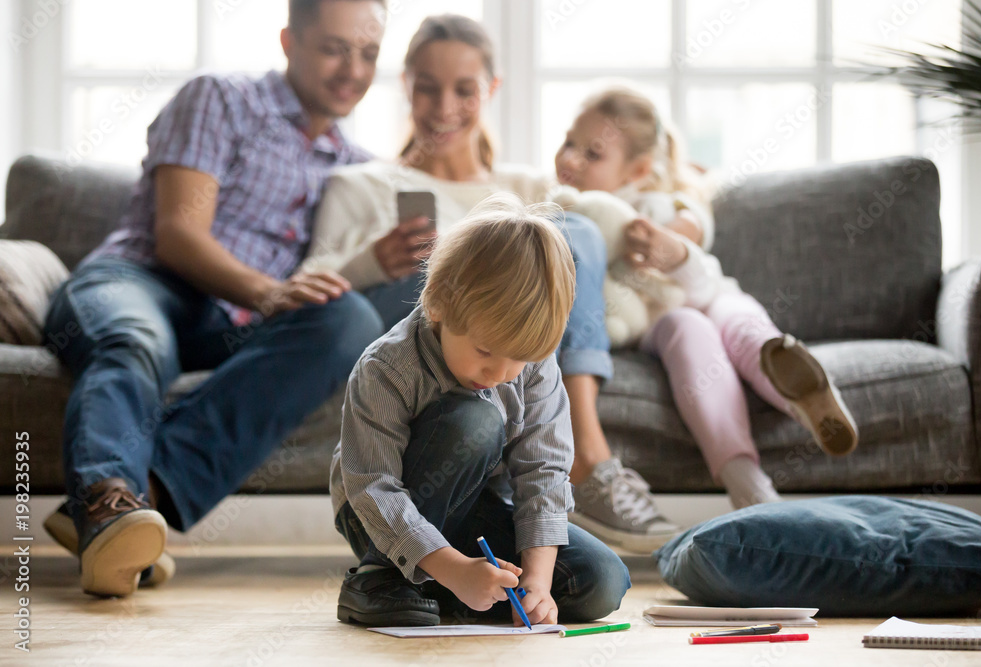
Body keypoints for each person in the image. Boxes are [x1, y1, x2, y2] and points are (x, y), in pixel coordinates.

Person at [40, 0, 387, 597]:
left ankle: (124, 507)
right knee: (133, 340)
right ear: (288, 41)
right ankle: (105, 506)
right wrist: (271, 290)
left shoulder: (360, 170)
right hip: (142, 280)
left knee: (348, 318)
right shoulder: (221, 99)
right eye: (334, 47)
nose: (352, 69)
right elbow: (179, 234)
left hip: (234, 322)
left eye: (369, 53)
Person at [305, 14, 677, 554]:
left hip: (504, 340)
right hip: (416, 323)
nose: (443, 106)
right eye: (426, 87)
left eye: (464, 89)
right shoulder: (360, 185)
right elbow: (307, 292)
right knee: (527, 247)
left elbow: (605, 231)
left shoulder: (527, 186)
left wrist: (679, 213)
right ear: (405, 85)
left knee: (574, 230)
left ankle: (585, 452)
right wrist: (371, 262)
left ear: (491, 91)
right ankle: (587, 461)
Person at [553, 86, 859, 510]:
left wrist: (673, 249)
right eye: (569, 143)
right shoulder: (574, 219)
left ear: (638, 169)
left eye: (592, 154)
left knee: (743, 325)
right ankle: (747, 481)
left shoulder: (666, 204)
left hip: (709, 292)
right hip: (662, 318)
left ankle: (809, 396)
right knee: (689, 329)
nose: (570, 158)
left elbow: (699, 263)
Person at [332, 193, 631, 627]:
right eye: (486, 351)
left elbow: (544, 470)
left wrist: (538, 584)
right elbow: (372, 488)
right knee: (475, 420)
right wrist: (454, 567)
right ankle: (381, 579)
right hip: (377, 515)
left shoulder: (529, 364)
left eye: (520, 360)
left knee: (601, 581)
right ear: (438, 305)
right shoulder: (386, 367)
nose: (502, 373)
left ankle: (449, 589)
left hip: (474, 508)